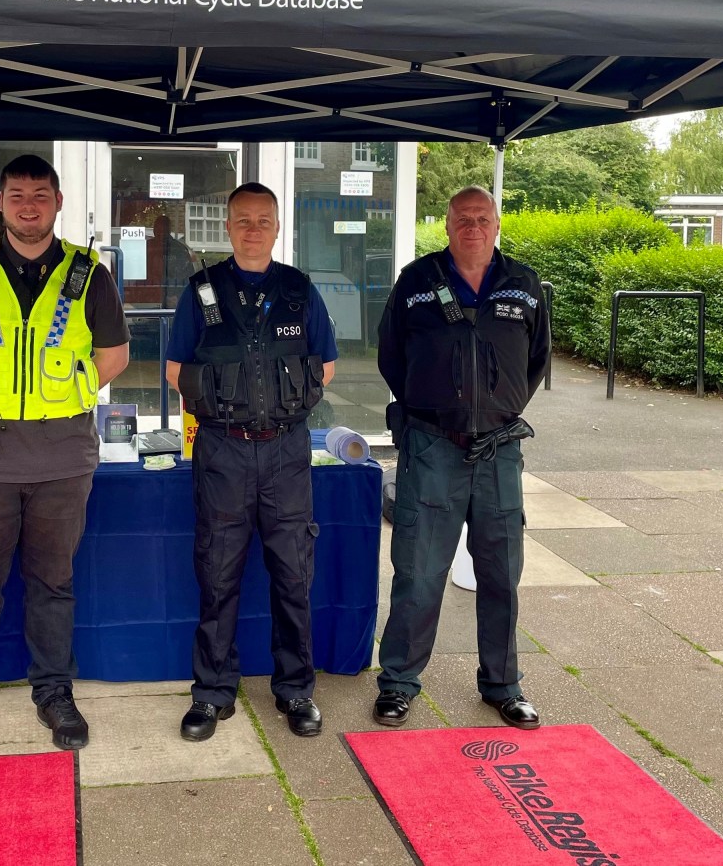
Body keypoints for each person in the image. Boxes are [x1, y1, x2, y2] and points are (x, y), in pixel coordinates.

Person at [0, 155, 130, 758]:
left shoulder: (89, 275)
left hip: (62, 456)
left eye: (40, 194)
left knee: (53, 583)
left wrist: (69, 389)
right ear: (1, 204)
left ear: (58, 202)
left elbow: (114, 355)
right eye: (17, 195)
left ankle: (54, 694)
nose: (28, 205)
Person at [373, 186, 550, 731]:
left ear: (496, 226)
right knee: (420, 572)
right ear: (447, 226)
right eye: (462, 219)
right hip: (432, 449)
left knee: (501, 573)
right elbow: (391, 355)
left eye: (482, 218)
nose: (472, 226)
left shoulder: (522, 285)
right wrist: (434, 408)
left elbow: (537, 357)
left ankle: (503, 685)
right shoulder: (416, 282)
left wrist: (497, 409)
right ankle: (399, 684)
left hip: (499, 452)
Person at [166, 182, 338, 742]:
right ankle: (212, 694)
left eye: (263, 220)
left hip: (286, 453)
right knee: (217, 574)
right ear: (228, 226)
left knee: (294, 574)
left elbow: (326, 366)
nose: (253, 229)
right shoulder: (202, 292)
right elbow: (175, 372)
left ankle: (296, 691)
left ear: (278, 225)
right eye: (243, 220)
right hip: (223, 451)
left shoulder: (299, 290)